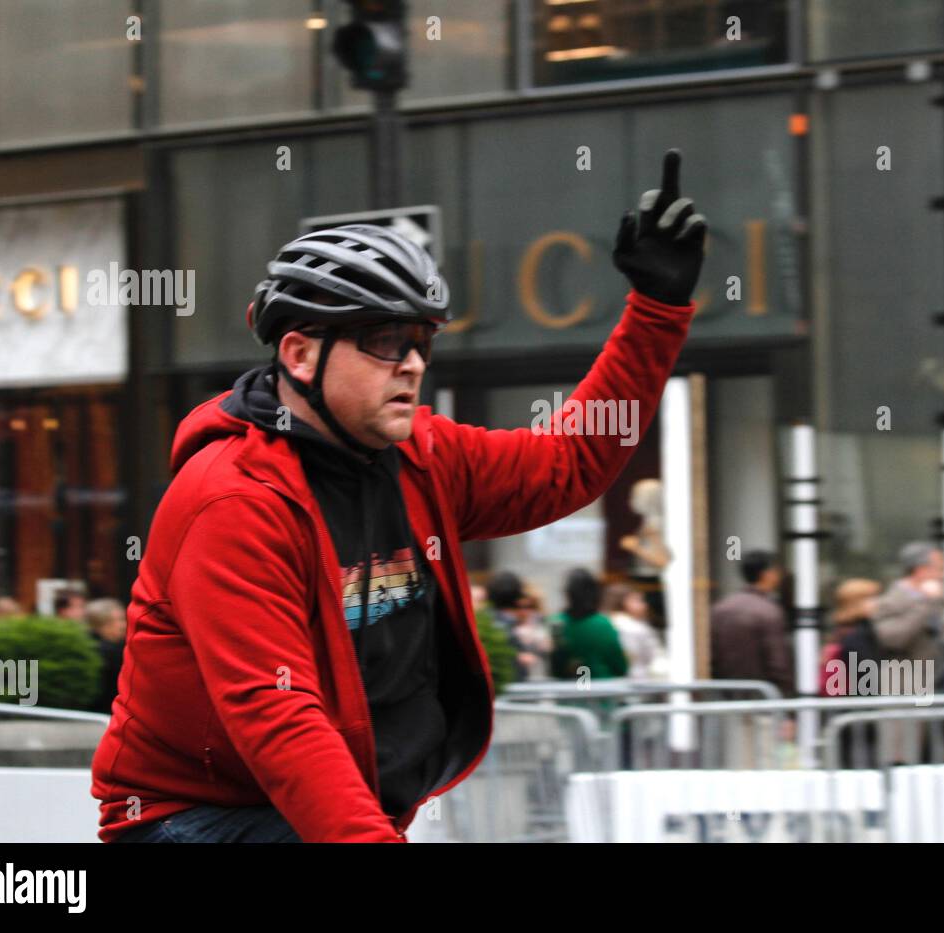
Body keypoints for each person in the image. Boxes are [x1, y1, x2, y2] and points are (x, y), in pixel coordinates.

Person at [90, 150, 707, 843]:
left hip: (336, 808)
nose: (412, 363)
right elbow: (279, 715)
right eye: (385, 340)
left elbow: (567, 462)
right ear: (299, 355)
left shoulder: (421, 456)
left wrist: (656, 310)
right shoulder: (231, 500)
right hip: (198, 817)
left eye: (421, 341)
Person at [710, 550, 795, 698]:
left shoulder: (720, 608)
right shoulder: (769, 611)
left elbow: (712, 657)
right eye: (776, 571)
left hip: (726, 698)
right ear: (766, 574)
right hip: (763, 700)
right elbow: (778, 664)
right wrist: (787, 704)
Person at [871, 542, 944, 688]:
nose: (942, 575)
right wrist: (925, 604)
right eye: (939, 569)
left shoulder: (932, 600)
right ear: (920, 570)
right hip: (903, 687)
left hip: (934, 682)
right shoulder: (892, 600)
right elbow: (892, 640)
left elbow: (941, 635)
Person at [550, 569, 629, 680]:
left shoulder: (556, 622)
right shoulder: (603, 623)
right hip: (601, 688)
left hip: (569, 689)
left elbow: (556, 663)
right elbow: (619, 664)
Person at [820, 578, 881, 697]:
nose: (877, 603)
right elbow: (867, 677)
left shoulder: (844, 630)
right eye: (872, 599)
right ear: (857, 602)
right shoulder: (856, 636)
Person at [602, 583, 666, 680]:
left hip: (611, 681)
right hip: (637, 680)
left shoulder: (605, 622)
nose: (644, 605)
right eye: (638, 600)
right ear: (623, 602)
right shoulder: (635, 628)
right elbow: (651, 657)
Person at [86, 598, 127, 714]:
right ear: (100, 625)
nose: (123, 625)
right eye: (117, 620)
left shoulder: (121, 646)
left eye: (123, 619)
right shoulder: (106, 652)